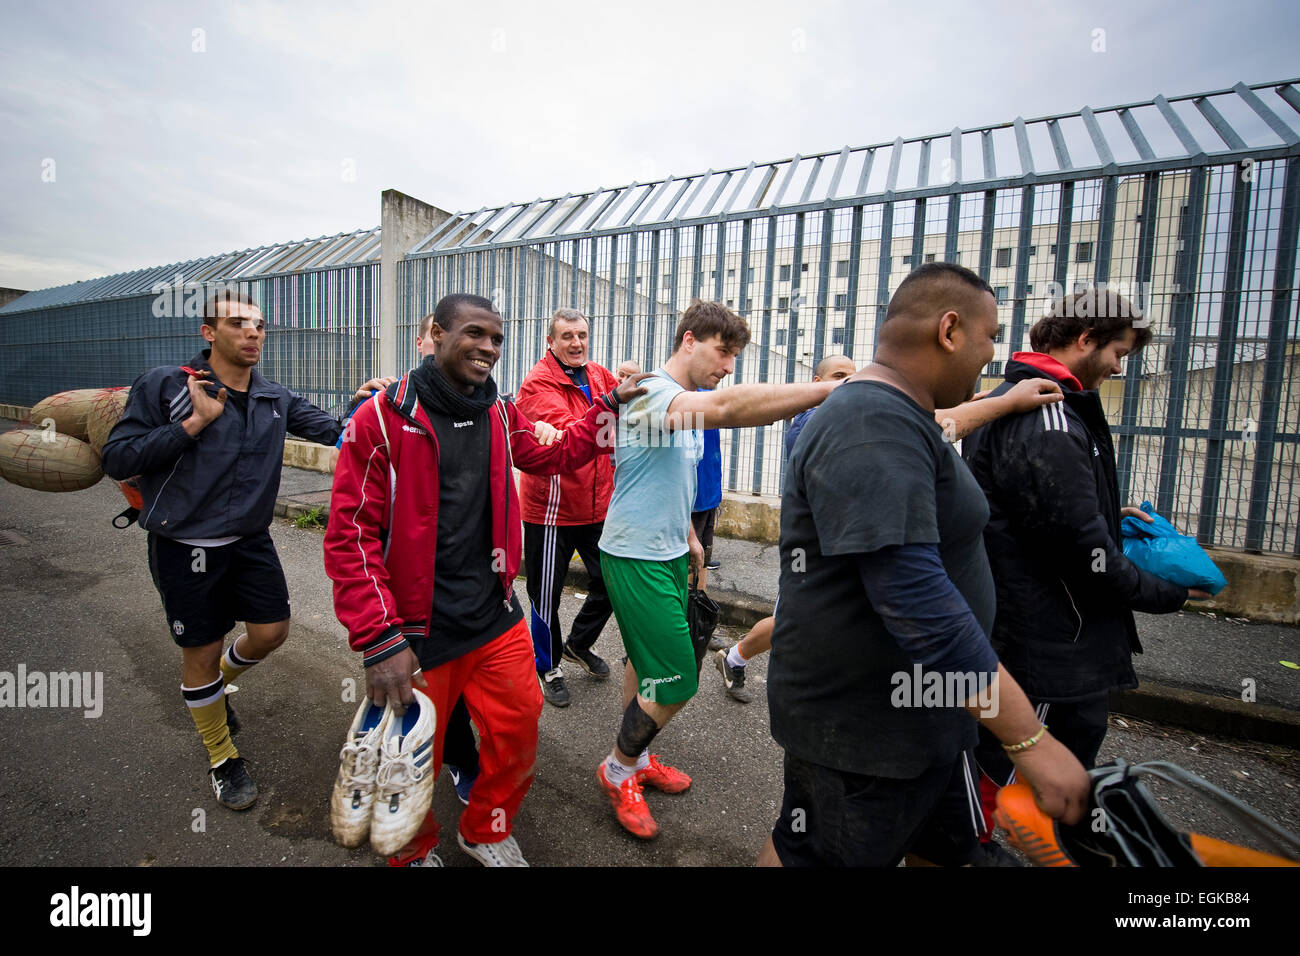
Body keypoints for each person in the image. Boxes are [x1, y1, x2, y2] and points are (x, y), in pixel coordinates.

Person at [761, 262, 1091, 866]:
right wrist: (1030, 740)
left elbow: (946, 429)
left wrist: (1001, 403)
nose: (991, 355)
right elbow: (916, 599)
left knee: (949, 852)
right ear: (949, 330)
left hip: (927, 719)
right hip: (866, 735)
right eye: (990, 337)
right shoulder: (869, 422)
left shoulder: (901, 414)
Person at [324, 293, 646, 866]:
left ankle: (486, 828)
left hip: (494, 614)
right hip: (418, 628)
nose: (489, 348)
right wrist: (378, 638)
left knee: (519, 730)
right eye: (475, 333)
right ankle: (411, 851)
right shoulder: (383, 417)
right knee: (411, 754)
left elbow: (552, 456)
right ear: (435, 331)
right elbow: (350, 535)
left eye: (497, 339)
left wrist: (610, 408)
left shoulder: (498, 412)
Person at [101, 288, 390, 811]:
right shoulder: (169, 385)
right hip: (183, 543)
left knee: (271, 633)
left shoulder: (272, 397)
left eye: (259, 324)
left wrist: (368, 404)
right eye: (238, 323)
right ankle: (221, 756)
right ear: (208, 333)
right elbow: (118, 458)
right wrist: (194, 423)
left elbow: (340, 433)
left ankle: (213, 690)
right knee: (202, 650)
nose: (253, 332)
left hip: (249, 540)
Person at [961, 287, 1206, 843]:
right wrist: (1165, 590)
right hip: (1048, 643)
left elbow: (1049, 518)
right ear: (1085, 339)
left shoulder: (1038, 403)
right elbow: (1078, 550)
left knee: (1034, 782)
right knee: (1003, 780)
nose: (1119, 367)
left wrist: (1100, 513)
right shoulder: (1048, 416)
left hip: (1048, 637)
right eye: (1117, 352)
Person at [594, 299, 842, 840]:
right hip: (633, 553)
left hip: (662, 549)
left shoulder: (675, 401)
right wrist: (829, 390)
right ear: (689, 339)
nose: (728, 365)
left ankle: (634, 761)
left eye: (733, 356)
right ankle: (616, 769)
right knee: (679, 678)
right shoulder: (653, 392)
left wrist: (689, 538)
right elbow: (731, 407)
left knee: (646, 665)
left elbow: (655, 472)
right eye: (723, 351)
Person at [713, 356, 1066, 704]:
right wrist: (1004, 403)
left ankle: (740, 659)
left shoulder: (847, 415)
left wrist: (980, 402)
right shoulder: (814, 420)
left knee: (801, 622)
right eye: (839, 375)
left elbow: (919, 421)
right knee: (790, 620)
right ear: (817, 384)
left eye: (854, 375)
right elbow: (932, 426)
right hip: (825, 558)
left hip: (847, 553)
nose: (849, 382)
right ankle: (736, 657)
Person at [515, 308, 620, 707]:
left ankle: (577, 644)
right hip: (551, 511)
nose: (576, 343)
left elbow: (619, 422)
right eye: (567, 337)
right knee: (547, 597)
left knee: (612, 585)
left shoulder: (598, 374)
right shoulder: (537, 384)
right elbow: (576, 438)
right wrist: (613, 409)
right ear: (551, 342)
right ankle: (548, 665)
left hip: (598, 505)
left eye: (582, 335)